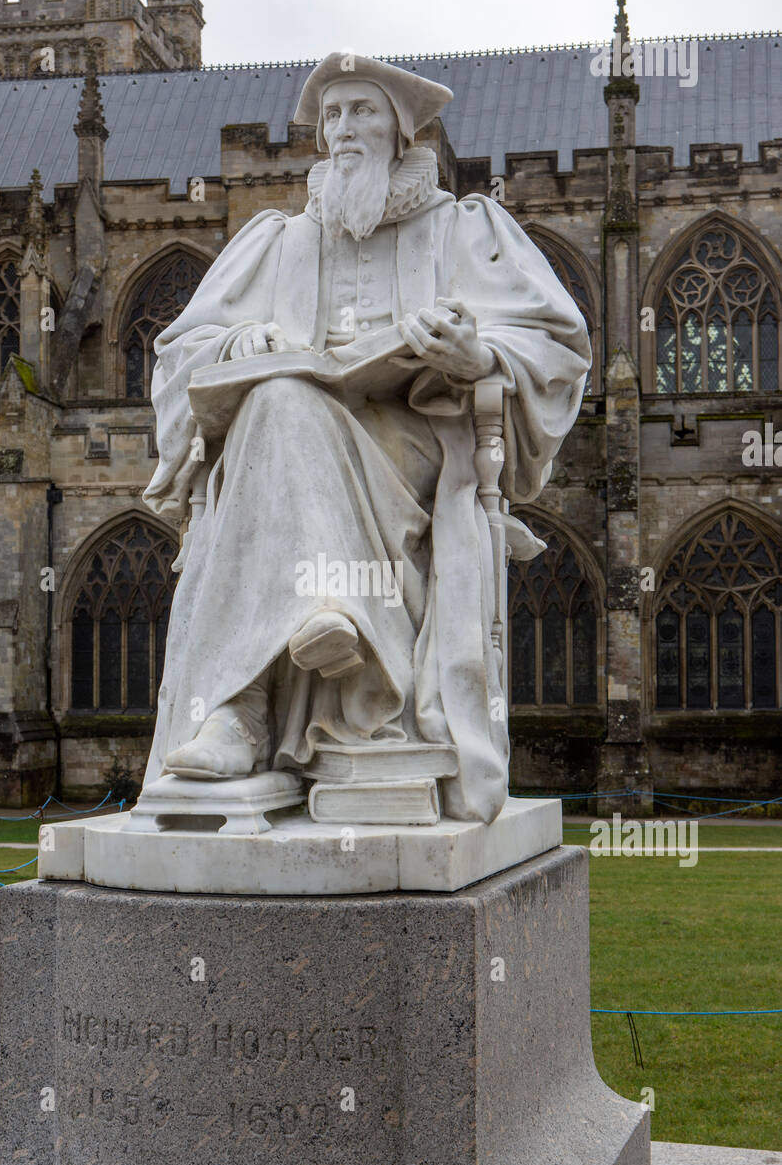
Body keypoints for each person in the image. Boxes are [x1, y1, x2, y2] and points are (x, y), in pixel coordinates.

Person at [140, 53, 591, 823]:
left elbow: (557, 341)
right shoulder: (277, 241)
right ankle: (302, 640)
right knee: (281, 398)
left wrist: (478, 355)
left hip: (414, 452)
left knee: (283, 411)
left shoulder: (463, 228)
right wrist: (234, 348)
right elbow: (180, 349)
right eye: (335, 115)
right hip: (280, 444)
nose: (346, 128)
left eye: (364, 111)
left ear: (401, 130)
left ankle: (239, 711)